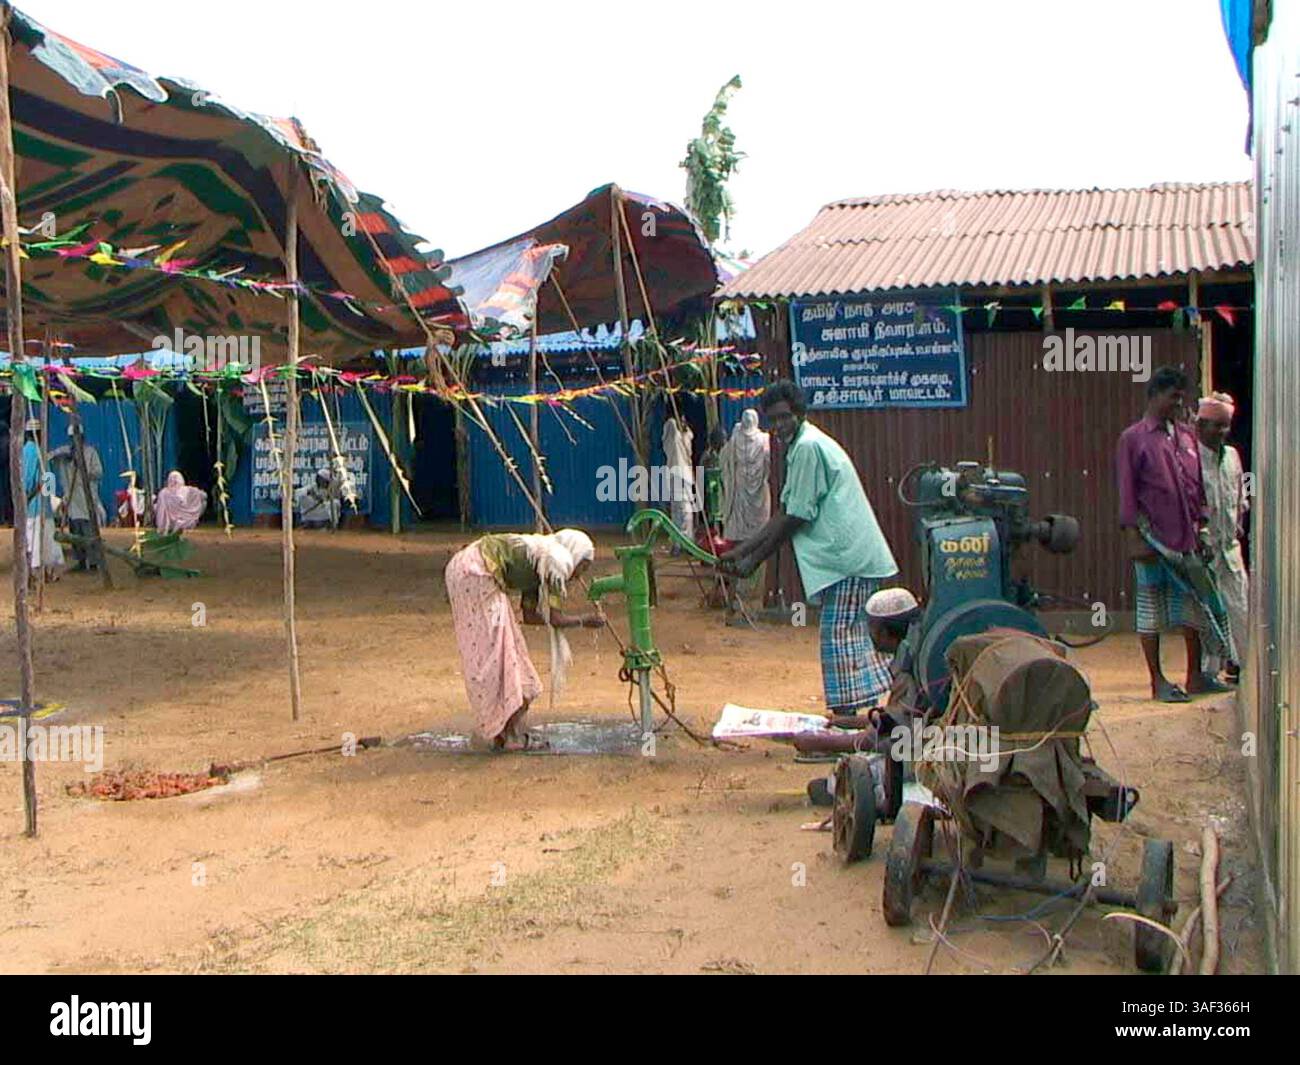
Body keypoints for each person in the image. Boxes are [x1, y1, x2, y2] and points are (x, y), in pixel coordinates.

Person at [720, 380, 899, 714]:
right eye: (773, 420)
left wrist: (753, 559)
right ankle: (878, 706)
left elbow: (796, 517)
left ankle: (850, 716)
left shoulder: (806, 447)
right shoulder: (802, 445)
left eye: (785, 417)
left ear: (800, 413)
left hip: (848, 559)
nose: (779, 426)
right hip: (846, 558)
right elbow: (785, 513)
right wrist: (741, 552)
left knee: (838, 638)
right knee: (854, 638)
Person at [1116, 366, 1230, 703]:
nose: (1178, 405)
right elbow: (1126, 492)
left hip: (1187, 540)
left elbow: (1198, 489)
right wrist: (1133, 537)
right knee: (1151, 611)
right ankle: (1158, 682)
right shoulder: (1132, 438)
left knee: (1194, 608)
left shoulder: (1185, 436)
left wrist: (1204, 528)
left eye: (1181, 398)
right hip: (1151, 541)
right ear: (1154, 396)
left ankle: (1196, 677)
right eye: (1172, 398)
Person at [444, 528, 604, 750]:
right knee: (497, 657)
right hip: (476, 574)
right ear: (574, 555)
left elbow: (531, 616)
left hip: (466, 572)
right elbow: (555, 618)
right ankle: (510, 736)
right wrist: (586, 621)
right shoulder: (558, 561)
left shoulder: (540, 555)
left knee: (509, 655)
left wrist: (577, 621)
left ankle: (507, 731)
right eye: (582, 568)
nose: (578, 576)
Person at [1195, 392, 1249, 684]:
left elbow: (1239, 500)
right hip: (1204, 553)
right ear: (1200, 425)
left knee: (1240, 608)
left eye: (1226, 426)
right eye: (1216, 425)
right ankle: (1208, 674)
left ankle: (1240, 666)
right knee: (1208, 615)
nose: (1221, 432)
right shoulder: (1190, 460)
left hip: (1230, 550)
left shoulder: (1232, 458)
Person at [51, 426, 106, 571]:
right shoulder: (65, 454)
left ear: (82, 437)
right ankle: (81, 562)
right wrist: (66, 456)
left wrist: (84, 472)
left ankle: (93, 562)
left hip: (87, 499)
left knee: (89, 532)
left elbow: (99, 472)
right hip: (72, 501)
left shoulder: (90, 452)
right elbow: (50, 456)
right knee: (75, 532)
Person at [21, 419, 64, 586]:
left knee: (32, 543)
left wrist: (26, 498)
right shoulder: (41, 453)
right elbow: (49, 483)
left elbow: (26, 482)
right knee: (46, 542)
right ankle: (47, 573)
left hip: (32, 507)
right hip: (44, 506)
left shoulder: (27, 452)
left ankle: (33, 575)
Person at [720, 408, 771, 544]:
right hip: (757, 487)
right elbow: (769, 461)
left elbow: (724, 459)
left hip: (741, 484)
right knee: (758, 521)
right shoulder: (764, 439)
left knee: (740, 520)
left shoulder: (735, 439)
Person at [661, 416, 696, 542]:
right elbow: (671, 427)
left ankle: (683, 539)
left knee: (682, 510)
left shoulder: (685, 437)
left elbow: (688, 439)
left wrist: (684, 428)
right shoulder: (672, 436)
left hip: (682, 475)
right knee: (681, 509)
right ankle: (681, 540)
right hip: (677, 475)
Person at [154, 470, 207, 534]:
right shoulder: (164, 493)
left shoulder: (164, 492)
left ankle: (171, 525)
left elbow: (203, 495)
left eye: (175, 478)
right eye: (173, 478)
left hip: (177, 520)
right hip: (185, 519)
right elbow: (203, 495)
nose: (174, 480)